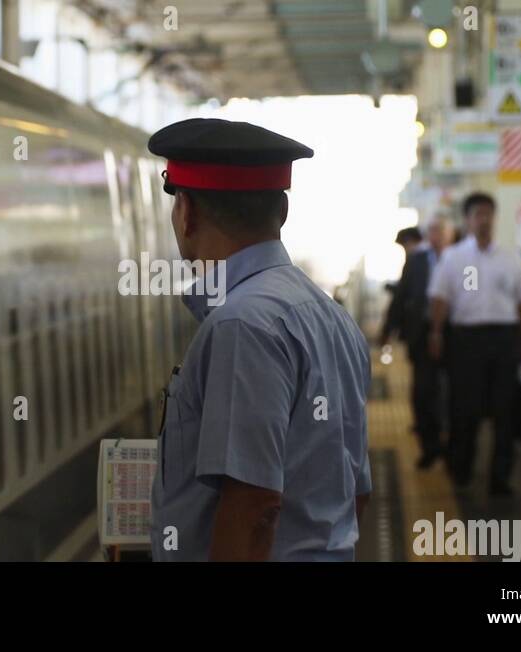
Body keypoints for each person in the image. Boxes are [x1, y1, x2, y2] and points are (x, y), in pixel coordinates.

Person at [146, 118, 372, 561]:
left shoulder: (242, 325)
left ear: (185, 212)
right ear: (282, 212)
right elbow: (356, 493)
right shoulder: (332, 318)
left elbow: (254, 505)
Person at [427, 193, 521, 496]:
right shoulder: (454, 257)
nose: (484, 219)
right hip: (467, 339)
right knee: (465, 408)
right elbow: (439, 298)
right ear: (468, 219)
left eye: (489, 213)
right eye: (478, 214)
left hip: (503, 337)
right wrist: (436, 333)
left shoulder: (509, 257)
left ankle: (500, 478)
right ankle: (461, 470)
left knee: (504, 411)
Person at [381, 217, 454, 468]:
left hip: (454, 334)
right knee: (423, 391)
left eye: (441, 231)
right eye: (432, 231)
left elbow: (471, 295)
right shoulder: (416, 261)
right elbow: (402, 296)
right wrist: (388, 329)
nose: (436, 236)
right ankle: (429, 446)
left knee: (453, 392)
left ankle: (452, 447)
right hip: (421, 334)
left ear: (450, 234)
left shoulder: (461, 262)